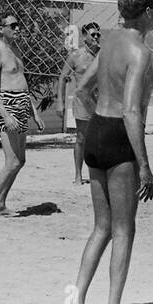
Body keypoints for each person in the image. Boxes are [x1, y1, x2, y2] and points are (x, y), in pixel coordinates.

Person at [63, 0, 153, 304]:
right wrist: (145, 166)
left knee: (101, 227)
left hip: (96, 131)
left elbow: (84, 88)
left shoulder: (110, 40)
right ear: (147, 11)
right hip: (119, 135)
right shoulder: (139, 51)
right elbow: (132, 112)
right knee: (123, 230)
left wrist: (100, 121)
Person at [0, 13, 44, 220]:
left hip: (21, 104)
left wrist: (33, 111)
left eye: (19, 25)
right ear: (1, 28)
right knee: (11, 161)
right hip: (6, 105)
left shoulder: (16, 50)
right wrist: (5, 114)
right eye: (13, 25)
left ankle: (0, 204)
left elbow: (22, 81)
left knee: (20, 161)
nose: (18, 28)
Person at [57, 21, 101, 185]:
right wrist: (60, 102)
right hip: (82, 102)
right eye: (93, 34)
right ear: (84, 37)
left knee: (98, 140)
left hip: (100, 102)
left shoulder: (102, 55)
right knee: (81, 139)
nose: (96, 37)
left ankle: (97, 174)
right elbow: (62, 78)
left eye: (98, 34)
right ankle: (78, 175)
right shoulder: (76, 56)